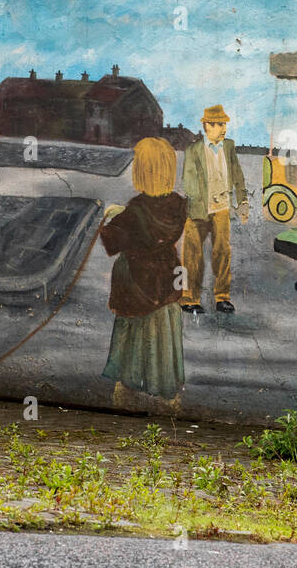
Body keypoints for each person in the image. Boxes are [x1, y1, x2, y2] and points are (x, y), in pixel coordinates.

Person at [99, 137, 189, 406]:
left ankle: (127, 388)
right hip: (166, 283)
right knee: (163, 339)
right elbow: (155, 226)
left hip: (137, 285)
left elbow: (112, 242)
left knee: (133, 336)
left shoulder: (135, 208)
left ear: (143, 170)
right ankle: (169, 394)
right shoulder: (178, 204)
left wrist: (109, 217)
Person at [180, 104, 248, 314]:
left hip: (222, 209)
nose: (223, 128)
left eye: (224, 124)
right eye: (218, 124)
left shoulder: (229, 146)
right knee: (191, 254)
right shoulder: (193, 150)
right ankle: (188, 298)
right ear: (206, 126)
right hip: (198, 209)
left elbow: (237, 175)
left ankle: (222, 297)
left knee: (222, 252)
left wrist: (242, 201)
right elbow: (188, 181)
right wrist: (202, 199)